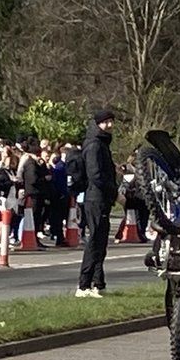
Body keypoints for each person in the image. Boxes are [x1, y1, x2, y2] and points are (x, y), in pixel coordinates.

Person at [77, 110, 117, 298]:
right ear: (98, 124)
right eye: (106, 122)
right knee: (94, 241)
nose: (110, 125)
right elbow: (96, 175)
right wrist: (114, 192)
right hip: (96, 198)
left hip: (101, 198)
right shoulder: (94, 145)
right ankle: (83, 285)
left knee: (100, 243)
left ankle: (98, 283)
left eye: (111, 121)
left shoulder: (102, 143)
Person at [49, 151, 69, 246]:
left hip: (59, 194)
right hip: (59, 195)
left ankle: (58, 236)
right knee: (58, 217)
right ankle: (59, 237)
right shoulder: (60, 167)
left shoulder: (61, 166)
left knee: (58, 217)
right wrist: (62, 193)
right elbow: (60, 183)